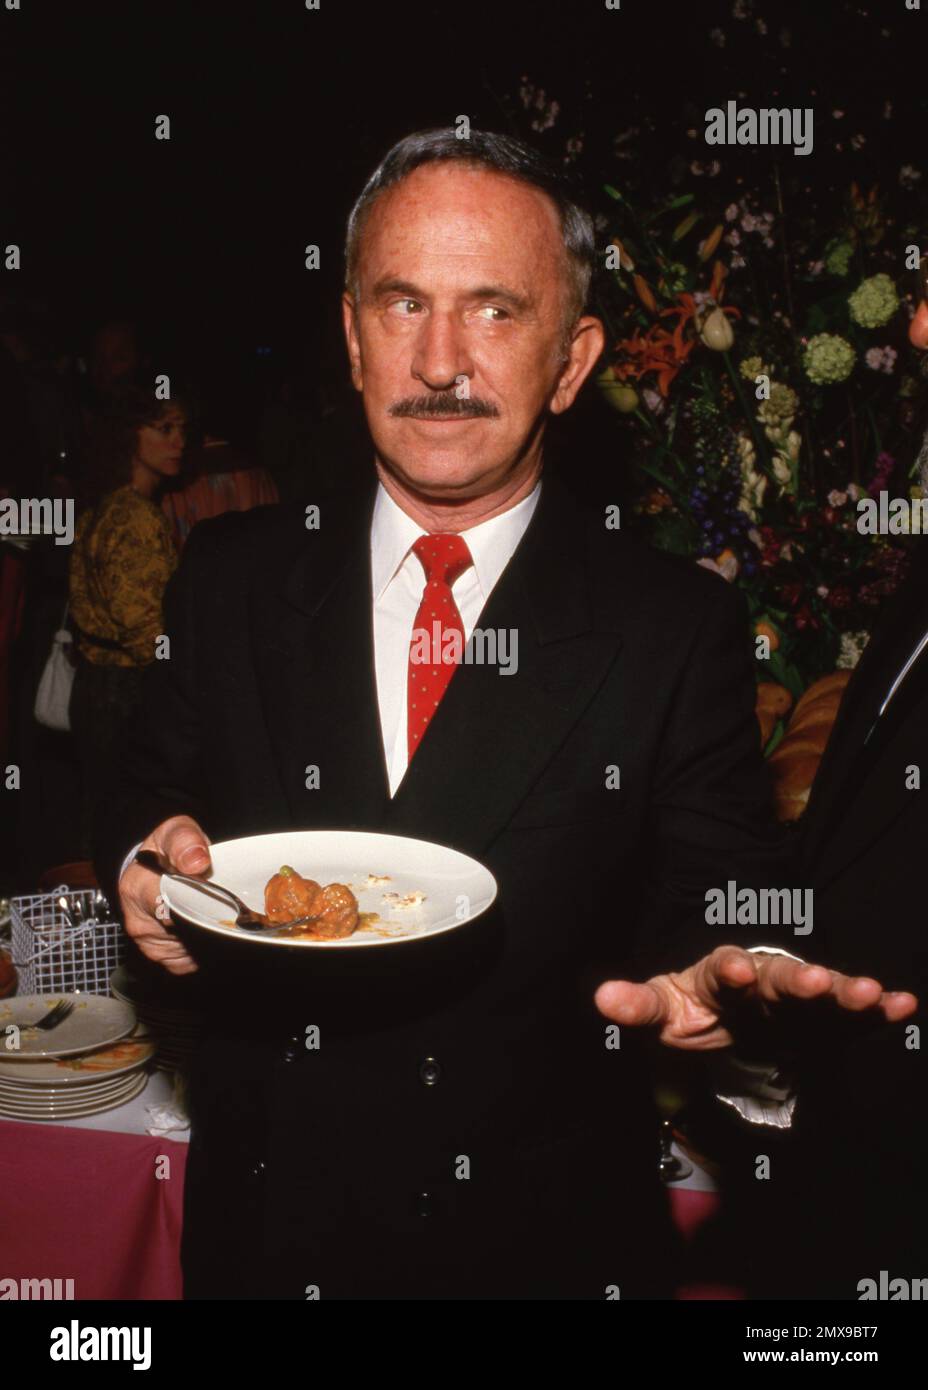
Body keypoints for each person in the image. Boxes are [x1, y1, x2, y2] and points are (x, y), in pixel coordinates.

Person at [98, 129, 915, 1300]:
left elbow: (722, 883)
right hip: (266, 1239)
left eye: (491, 310)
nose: (439, 361)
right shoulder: (227, 575)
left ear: (573, 360)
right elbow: (145, 780)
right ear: (349, 334)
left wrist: (738, 978)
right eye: (401, 304)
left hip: (537, 1255)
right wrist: (143, 859)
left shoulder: (667, 620)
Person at [68, 387, 184, 856]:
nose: (178, 441)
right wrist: (180, 680)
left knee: (104, 816)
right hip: (127, 692)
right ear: (130, 435)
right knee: (135, 831)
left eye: (182, 429)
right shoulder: (134, 515)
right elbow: (146, 630)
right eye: (164, 429)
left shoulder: (103, 504)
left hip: (95, 686)